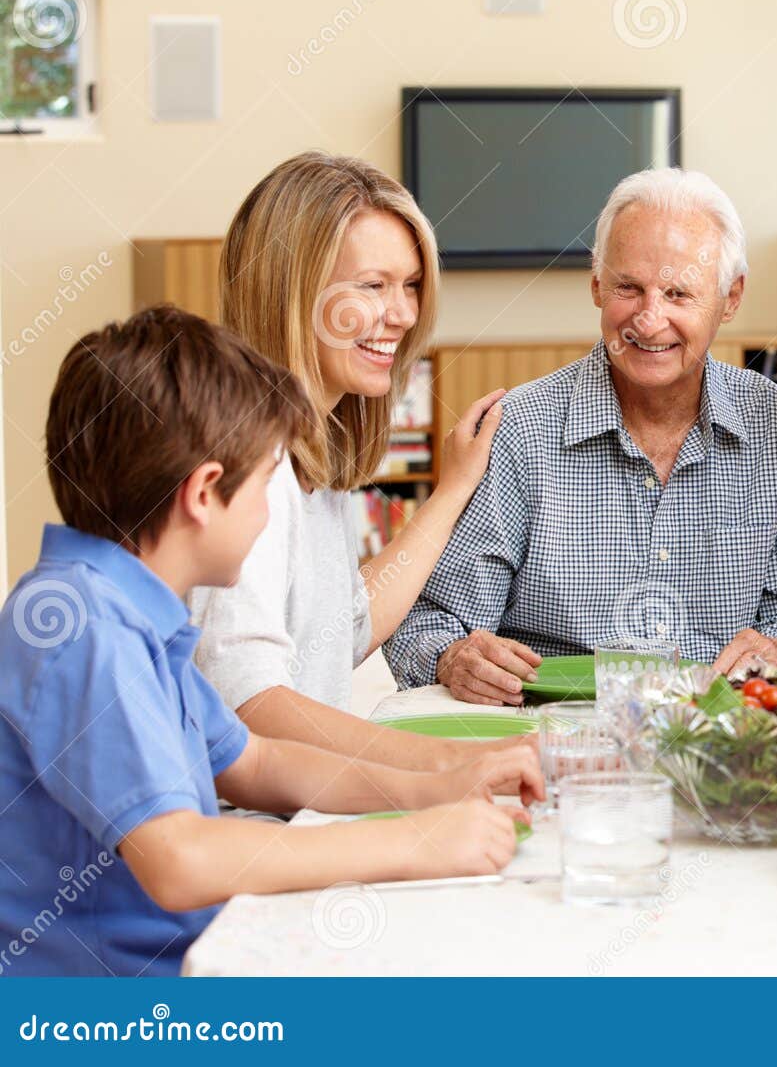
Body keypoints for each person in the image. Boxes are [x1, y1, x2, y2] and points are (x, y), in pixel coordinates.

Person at [0, 308, 540, 976]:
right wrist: (419, 840)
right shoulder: (84, 630)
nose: (269, 512)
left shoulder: (130, 615)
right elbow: (180, 859)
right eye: (265, 484)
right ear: (204, 493)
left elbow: (255, 764)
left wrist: (441, 783)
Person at [386, 168, 777, 702]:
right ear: (596, 285)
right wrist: (454, 657)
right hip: (549, 743)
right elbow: (423, 625)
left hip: (722, 743)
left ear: (731, 298)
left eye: (680, 293)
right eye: (628, 288)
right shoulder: (518, 431)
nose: (650, 319)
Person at [190, 152, 520, 769]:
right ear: (290, 291)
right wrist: (438, 764)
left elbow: (340, 630)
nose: (403, 314)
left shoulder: (307, 458)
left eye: (411, 284)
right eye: (373, 285)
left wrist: (451, 491)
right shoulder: (248, 461)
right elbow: (247, 695)